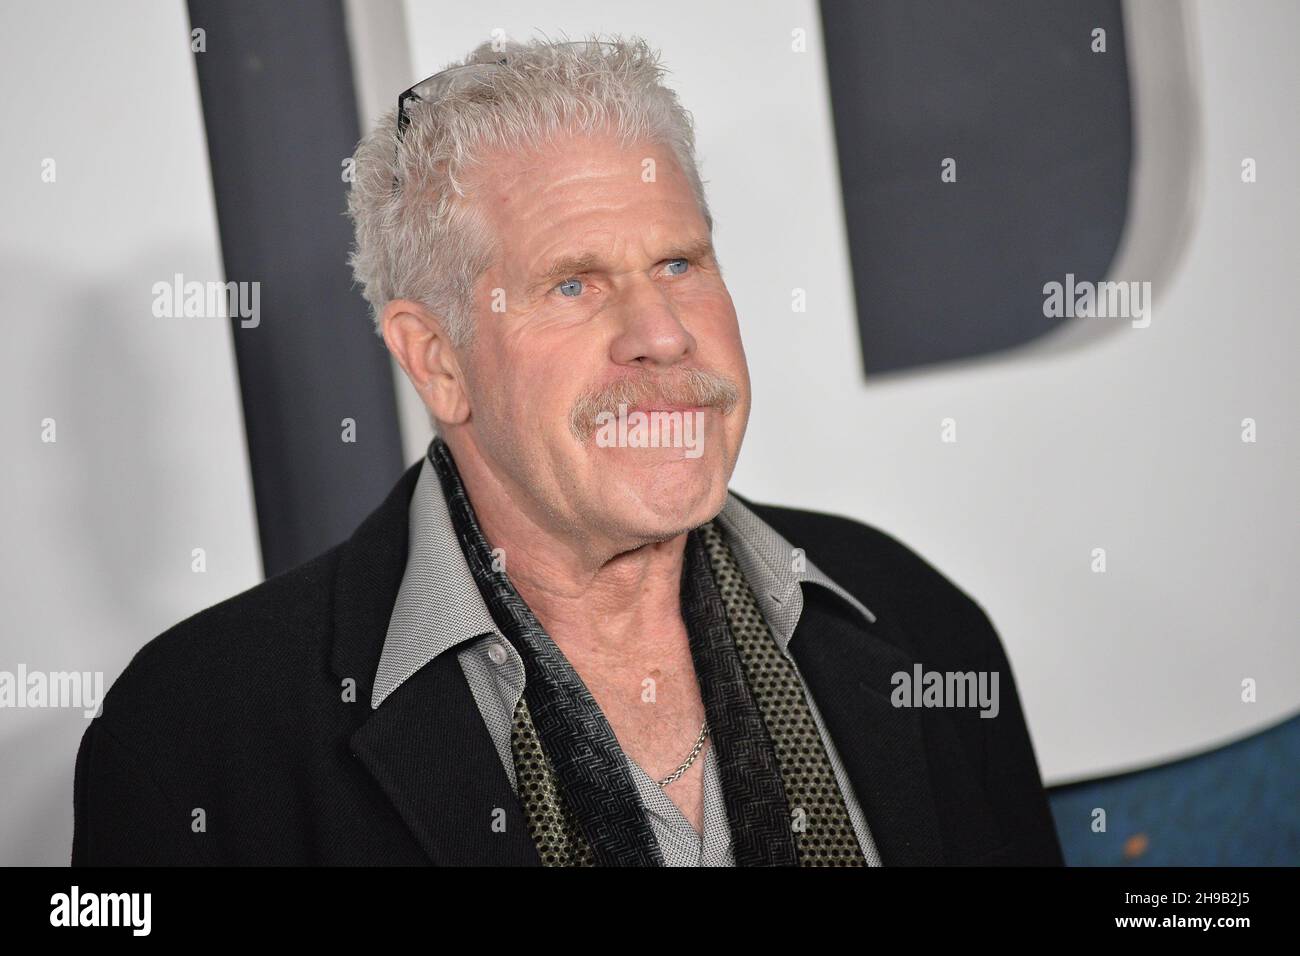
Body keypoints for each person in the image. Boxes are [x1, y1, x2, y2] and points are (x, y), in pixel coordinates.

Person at [72, 35, 1063, 866]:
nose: (663, 333)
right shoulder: (197, 745)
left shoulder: (918, 623)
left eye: (678, 261)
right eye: (573, 286)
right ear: (437, 360)